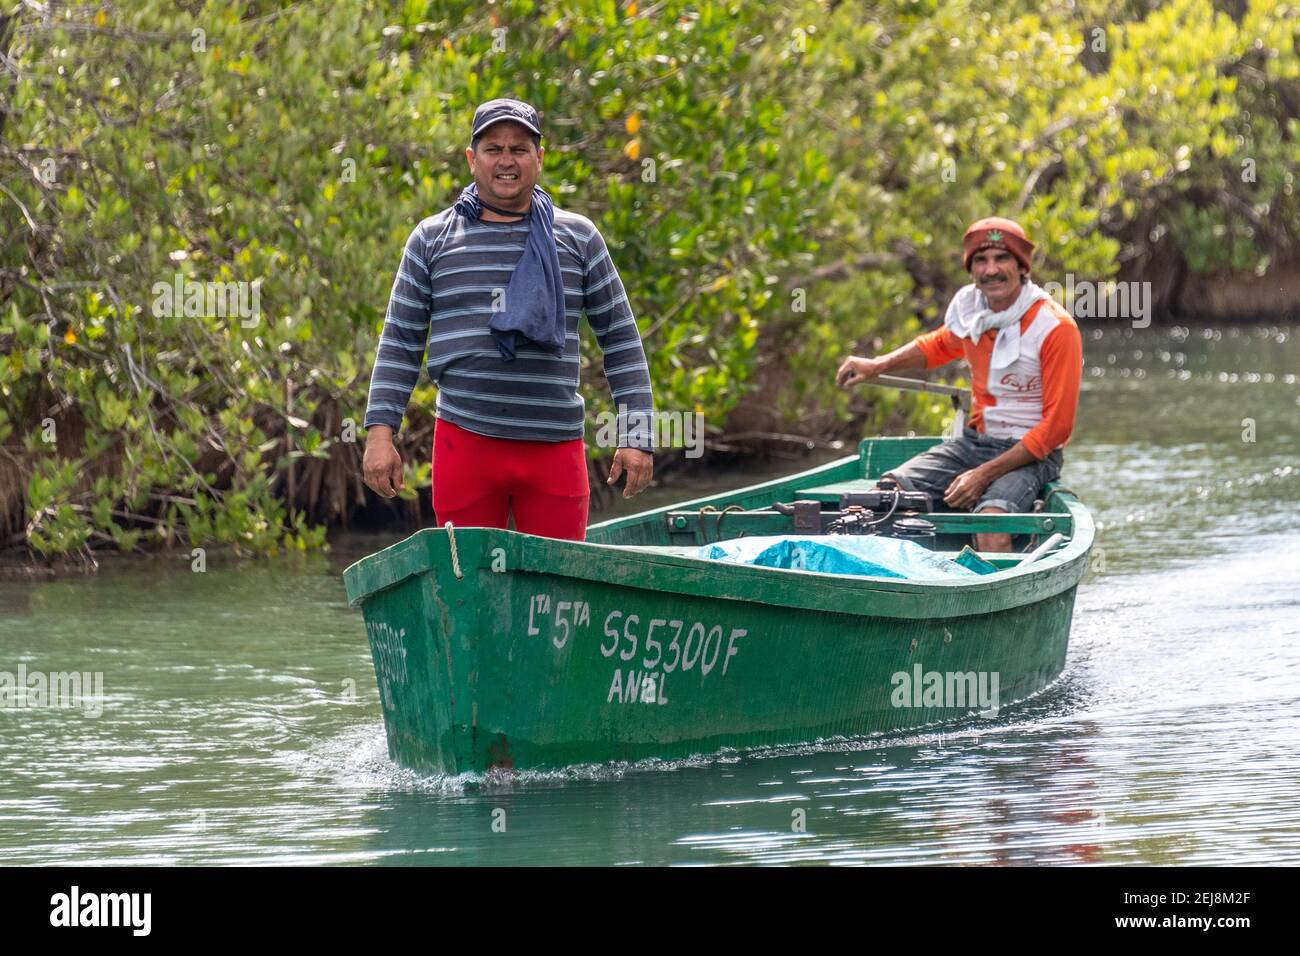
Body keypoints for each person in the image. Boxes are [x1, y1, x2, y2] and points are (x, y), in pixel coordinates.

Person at [361, 98, 654, 541]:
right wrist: (380, 436)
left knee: (556, 590)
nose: (506, 160)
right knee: (468, 589)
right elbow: (400, 342)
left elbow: (620, 339)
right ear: (471, 159)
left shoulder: (577, 237)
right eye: (493, 148)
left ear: (539, 157)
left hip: (554, 448)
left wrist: (635, 434)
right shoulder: (431, 239)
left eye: (519, 148)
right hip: (465, 443)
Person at [836, 217, 1082, 552]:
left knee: (991, 524)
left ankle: (997, 601)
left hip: (1031, 454)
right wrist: (877, 365)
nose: (991, 270)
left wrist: (981, 476)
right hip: (974, 443)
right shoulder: (971, 313)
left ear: (1022, 267)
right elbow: (938, 345)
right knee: (888, 496)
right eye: (981, 260)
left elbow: (1056, 429)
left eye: (1002, 259)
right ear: (971, 269)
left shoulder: (1055, 327)